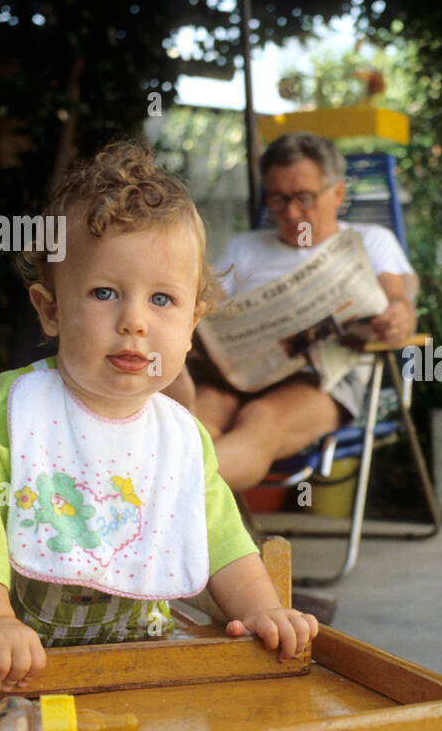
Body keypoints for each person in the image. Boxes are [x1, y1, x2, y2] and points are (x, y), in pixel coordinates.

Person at [0, 140, 318, 697]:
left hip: (124, 667)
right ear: (49, 310)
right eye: (104, 293)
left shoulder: (181, 438)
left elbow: (223, 544)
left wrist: (265, 609)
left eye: (163, 301)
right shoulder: (16, 413)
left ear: (194, 323)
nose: (134, 322)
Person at [163, 132, 418, 492]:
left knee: (261, 418)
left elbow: (399, 299)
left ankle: (166, 500)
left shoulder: (369, 240)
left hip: (321, 377)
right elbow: (205, 309)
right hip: (235, 373)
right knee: (194, 420)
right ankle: (165, 506)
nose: (291, 213)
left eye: (303, 198)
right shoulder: (247, 246)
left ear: (337, 193)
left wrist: (398, 316)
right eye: (278, 199)